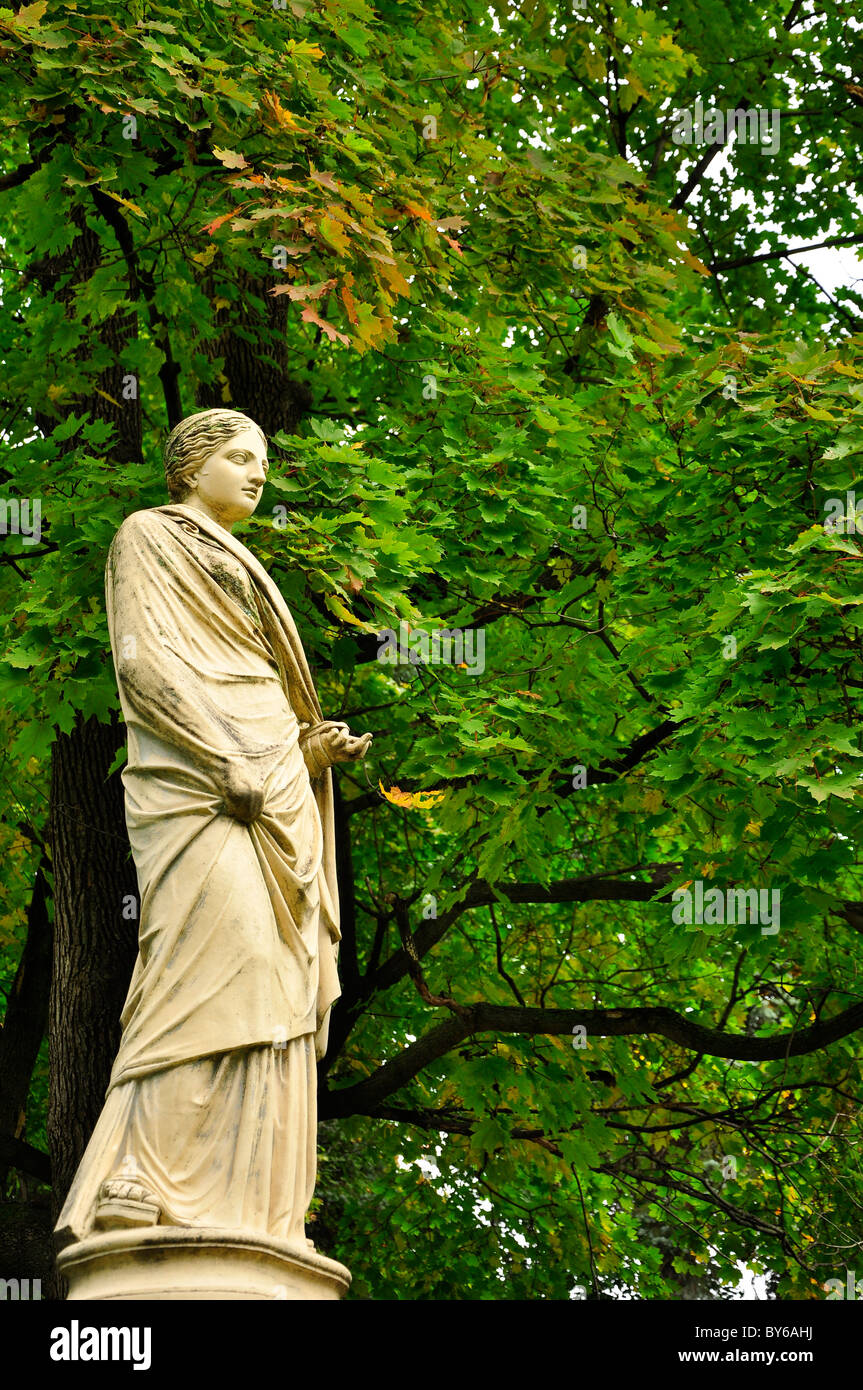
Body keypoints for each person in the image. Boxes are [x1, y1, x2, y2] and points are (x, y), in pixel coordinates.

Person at [55, 408, 371, 1250]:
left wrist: (303, 754)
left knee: (272, 977)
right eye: (238, 456)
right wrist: (216, 752)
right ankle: (140, 1178)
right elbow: (143, 661)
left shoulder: (245, 561)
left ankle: (252, 1202)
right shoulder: (150, 537)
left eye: (262, 459)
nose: (256, 472)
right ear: (190, 465)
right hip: (200, 790)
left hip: (274, 786)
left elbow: (255, 686)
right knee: (199, 968)